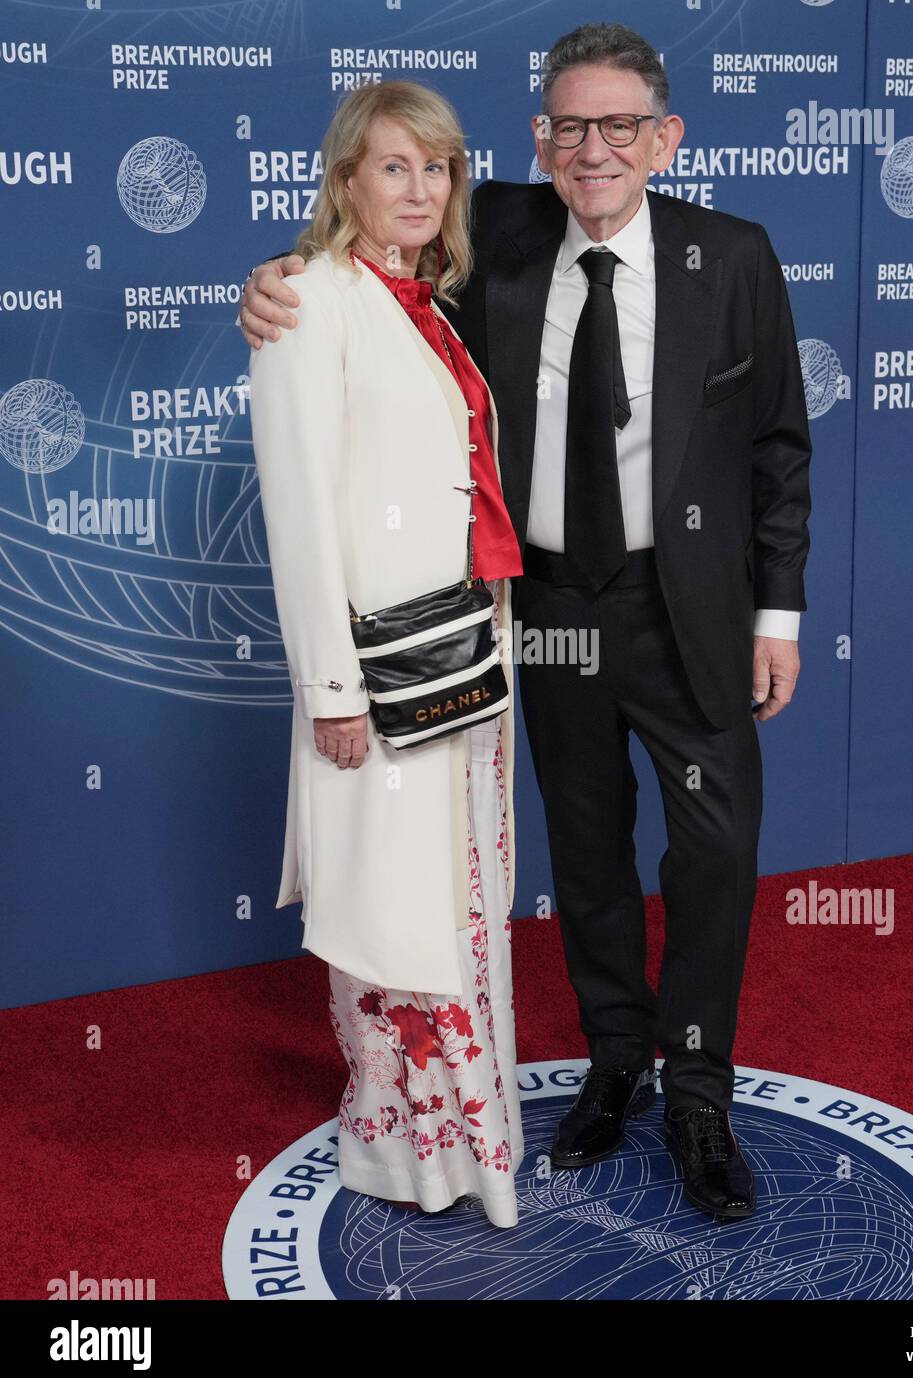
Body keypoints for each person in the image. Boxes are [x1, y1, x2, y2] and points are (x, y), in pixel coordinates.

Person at [241, 23, 812, 1224]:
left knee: (711, 852)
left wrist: (776, 610)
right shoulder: (493, 231)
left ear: (665, 137)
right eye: (566, 125)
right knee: (587, 849)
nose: (590, 149)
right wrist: (270, 279)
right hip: (543, 611)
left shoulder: (733, 255)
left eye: (617, 127)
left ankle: (697, 1085)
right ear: (538, 139)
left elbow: (775, 448)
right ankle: (615, 1061)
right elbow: (366, 246)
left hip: (685, 610)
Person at [247, 80, 525, 1228]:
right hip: (377, 679)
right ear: (346, 179)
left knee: (461, 905)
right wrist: (330, 690)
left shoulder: (425, 299)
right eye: (394, 167)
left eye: (438, 168)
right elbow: (300, 510)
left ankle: (468, 1144)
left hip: (464, 660)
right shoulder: (307, 300)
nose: (420, 188)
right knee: (397, 911)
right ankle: (406, 1150)